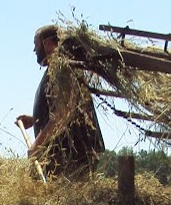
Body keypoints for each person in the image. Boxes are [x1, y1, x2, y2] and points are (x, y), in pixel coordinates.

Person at [16, 26, 105, 179]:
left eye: (36, 45)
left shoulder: (64, 70)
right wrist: (35, 120)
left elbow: (63, 114)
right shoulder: (56, 70)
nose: (34, 50)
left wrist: (36, 146)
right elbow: (61, 110)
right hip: (63, 155)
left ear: (48, 43)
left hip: (73, 155)